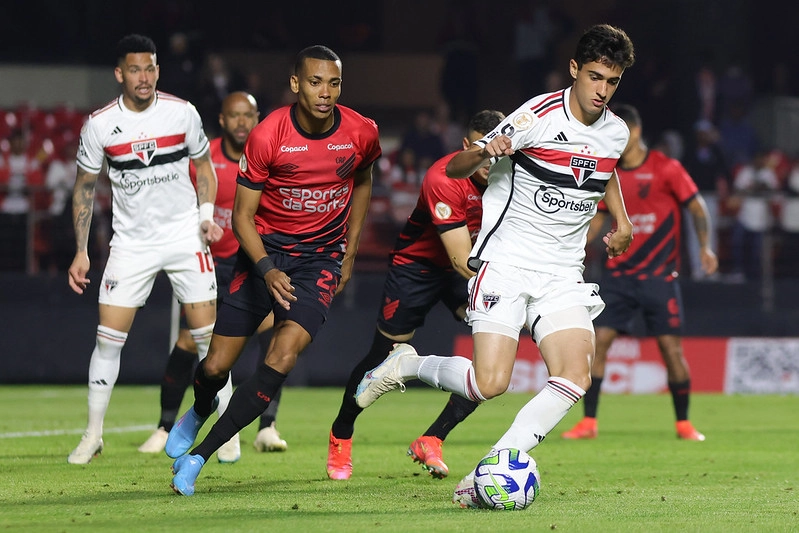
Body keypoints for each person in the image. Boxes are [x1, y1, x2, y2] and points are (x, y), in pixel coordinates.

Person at [354, 24, 636, 508]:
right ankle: (408, 362)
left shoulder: (615, 130)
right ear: (574, 70)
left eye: (612, 81)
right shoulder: (535, 116)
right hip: (507, 263)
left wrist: (623, 219)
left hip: (563, 272)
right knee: (490, 384)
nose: (602, 91)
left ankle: (491, 469)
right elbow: (456, 169)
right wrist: (487, 149)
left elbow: (601, 170)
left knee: (574, 376)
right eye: (595, 78)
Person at [165, 45, 381, 496]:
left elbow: (362, 179)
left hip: (318, 262)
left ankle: (198, 457)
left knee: (280, 358)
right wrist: (265, 268)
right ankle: (199, 408)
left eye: (335, 83)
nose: (326, 93)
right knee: (214, 367)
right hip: (265, 253)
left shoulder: (362, 132)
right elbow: (243, 217)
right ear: (296, 83)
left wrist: (350, 251)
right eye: (316, 82)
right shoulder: (268, 135)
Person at [66, 34, 224, 464]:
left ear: (158, 70)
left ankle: (226, 434)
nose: (144, 77)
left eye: (150, 68)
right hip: (131, 244)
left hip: (183, 236)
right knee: (108, 341)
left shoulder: (182, 113)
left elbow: (205, 169)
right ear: (120, 74)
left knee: (211, 341)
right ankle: (93, 434)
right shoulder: (99, 125)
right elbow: (84, 188)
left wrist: (205, 215)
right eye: (135, 69)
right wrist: (81, 251)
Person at [326, 109, 505, 481]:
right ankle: (341, 432)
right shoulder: (444, 178)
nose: (490, 160)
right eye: (481, 150)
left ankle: (432, 438)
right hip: (419, 267)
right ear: (467, 148)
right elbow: (458, 260)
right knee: (381, 356)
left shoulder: (513, 177)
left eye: (497, 151)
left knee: (495, 357)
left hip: (470, 268)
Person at [136, 92, 288, 459]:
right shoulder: (204, 159)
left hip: (252, 265)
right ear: (221, 120)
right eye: (234, 116)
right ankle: (165, 425)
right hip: (207, 264)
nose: (241, 122)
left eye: (247, 115)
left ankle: (267, 426)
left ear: (256, 118)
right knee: (189, 342)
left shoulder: (269, 155)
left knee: (274, 337)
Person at [561, 104, 718, 442]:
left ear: (632, 132)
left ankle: (683, 424)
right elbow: (597, 221)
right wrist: (569, 250)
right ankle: (588, 422)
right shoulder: (610, 174)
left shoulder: (667, 168)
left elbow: (696, 205)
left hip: (660, 277)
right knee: (598, 345)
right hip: (619, 277)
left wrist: (704, 247)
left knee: (670, 350)